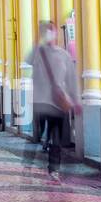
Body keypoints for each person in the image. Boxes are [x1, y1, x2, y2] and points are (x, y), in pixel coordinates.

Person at [30, 20, 80, 182]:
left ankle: (54, 169)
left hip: (57, 103)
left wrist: (76, 100)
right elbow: (27, 61)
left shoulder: (63, 55)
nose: (50, 33)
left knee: (56, 136)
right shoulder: (38, 52)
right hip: (41, 102)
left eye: (52, 30)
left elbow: (71, 79)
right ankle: (31, 161)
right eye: (47, 31)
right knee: (39, 135)